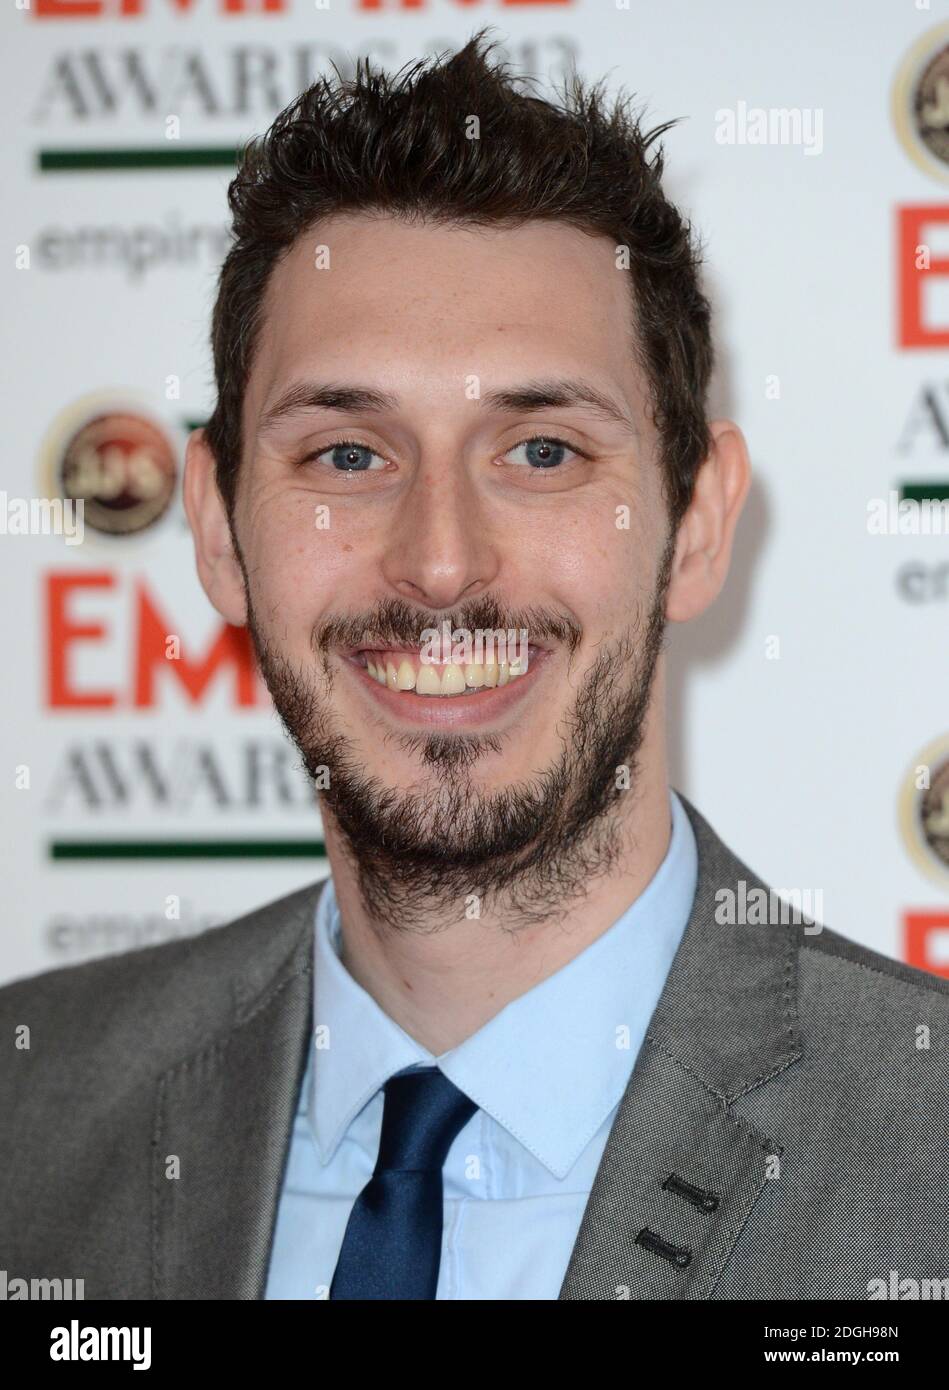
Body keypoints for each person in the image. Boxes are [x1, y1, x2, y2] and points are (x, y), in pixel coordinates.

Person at [3, 29, 949, 1302]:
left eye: (543, 451)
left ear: (698, 525)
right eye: (347, 454)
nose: (440, 565)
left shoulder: (921, 1140)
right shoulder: (30, 1108)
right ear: (222, 533)